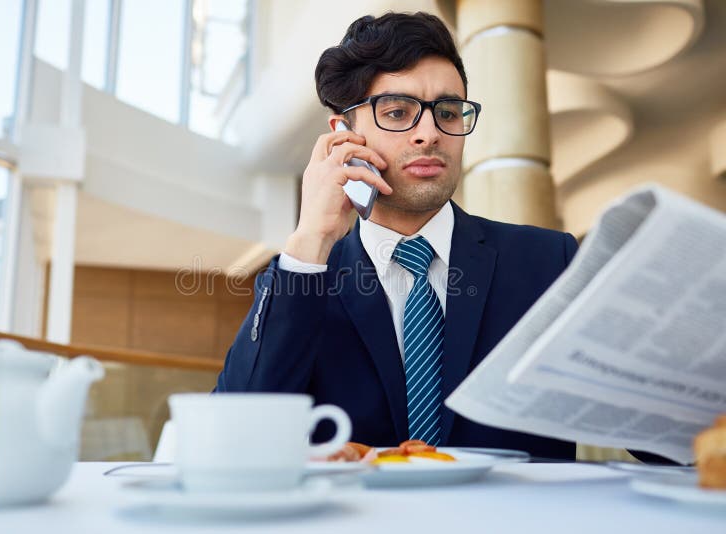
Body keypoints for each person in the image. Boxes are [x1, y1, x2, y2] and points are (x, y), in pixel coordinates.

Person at [216, 12, 578, 460]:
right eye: (397, 113)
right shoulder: (305, 280)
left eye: (447, 112)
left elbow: (656, 434)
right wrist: (310, 239)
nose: (429, 134)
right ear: (344, 135)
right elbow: (233, 439)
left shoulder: (549, 261)